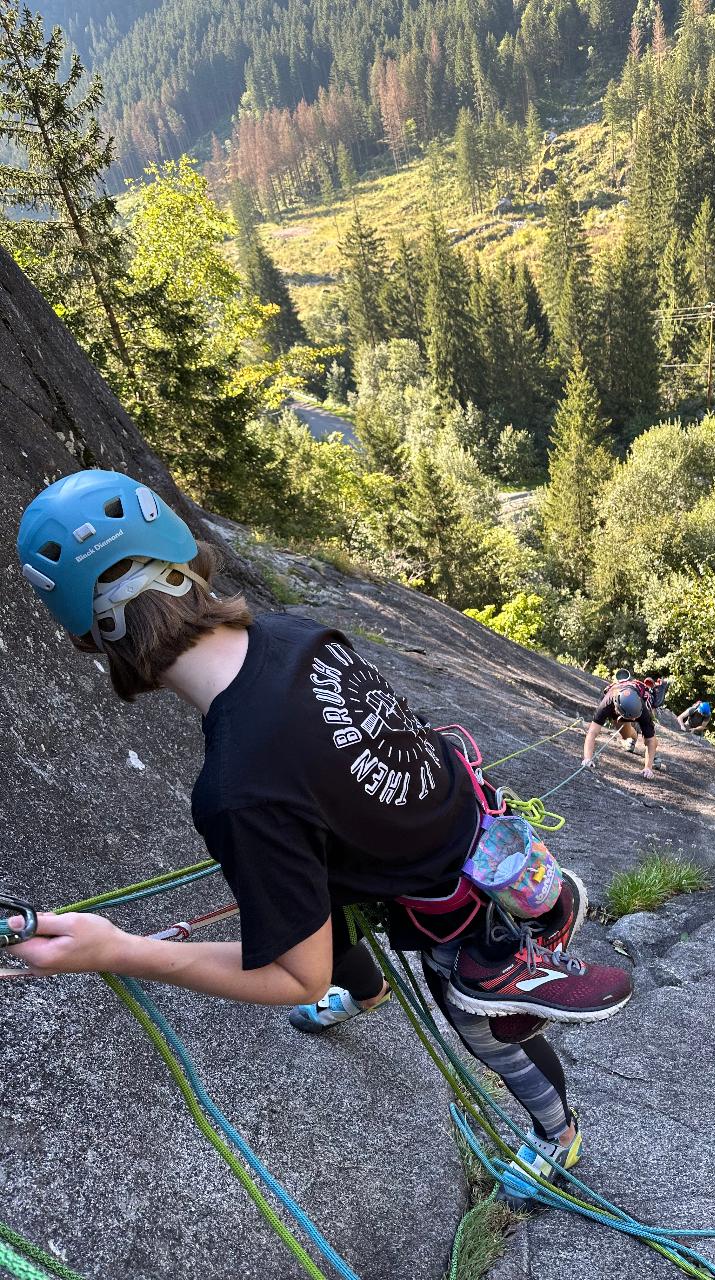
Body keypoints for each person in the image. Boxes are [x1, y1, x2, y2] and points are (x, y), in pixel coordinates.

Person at [12, 469, 633, 1208]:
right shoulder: (295, 634)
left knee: (487, 1032)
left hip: (450, 902)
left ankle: (557, 1133)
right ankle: (366, 993)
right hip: (455, 825)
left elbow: (294, 977)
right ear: (184, 560)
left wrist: (116, 949)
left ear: (97, 639)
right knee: (309, 895)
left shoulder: (238, 791)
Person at [583, 678, 658, 778]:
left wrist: (648, 768)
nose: (635, 719)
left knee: (651, 737)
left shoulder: (641, 707)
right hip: (619, 710)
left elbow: (650, 739)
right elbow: (592, 732)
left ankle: (653, 756)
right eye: (632, 718)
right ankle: (633, 738)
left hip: (636, 704)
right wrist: (587, 758)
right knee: (626, 735)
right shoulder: (607, 704)